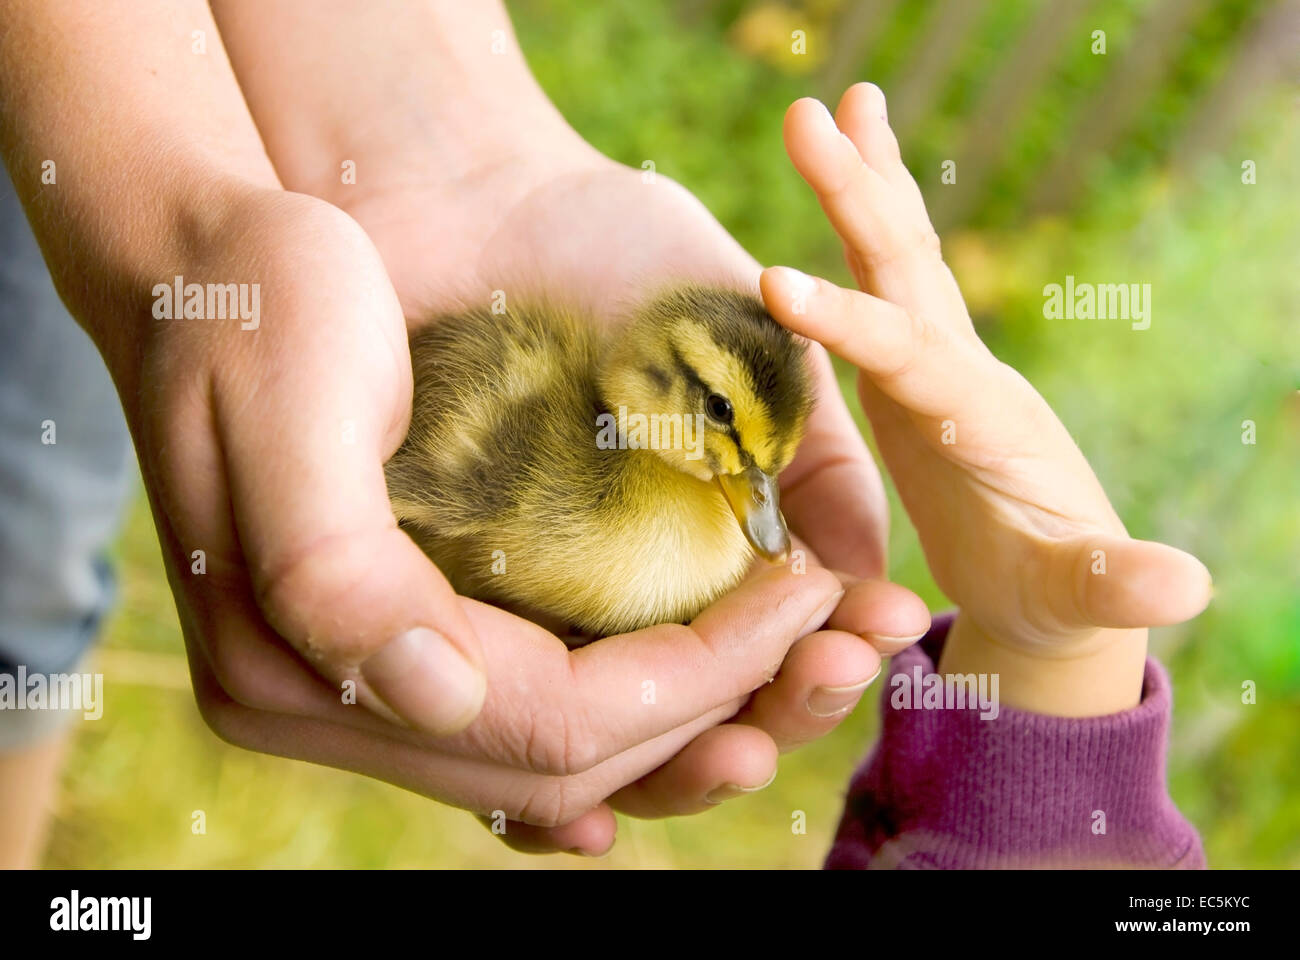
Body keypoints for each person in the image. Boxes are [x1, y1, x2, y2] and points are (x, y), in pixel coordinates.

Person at [0, 0, 1207, 869]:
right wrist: (179, 220)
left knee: (23, 556)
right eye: (730, 437)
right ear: (654, 374)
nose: (753, 494)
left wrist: (403, 152)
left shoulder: (666, 467)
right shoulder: (558, 457)